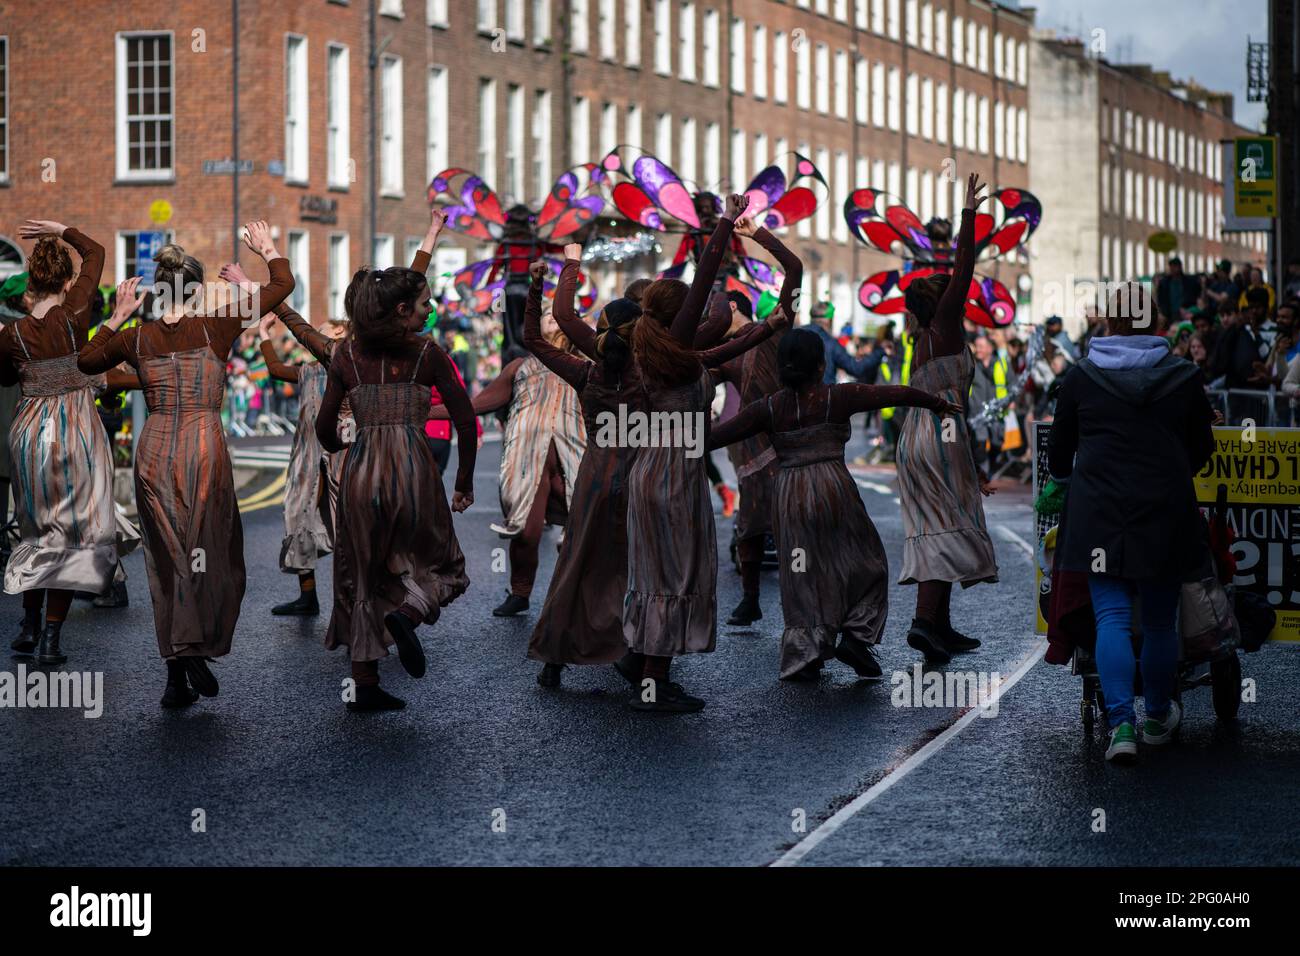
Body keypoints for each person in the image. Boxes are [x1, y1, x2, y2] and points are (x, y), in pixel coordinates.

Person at [79, 222, 294, 707]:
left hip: (154, 447)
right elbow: (283, 289)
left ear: (158, 288)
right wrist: (267, 250)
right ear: (196, 289)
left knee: (167, 558)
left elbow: (87, 362)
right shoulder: (216, 324)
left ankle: (176, 674)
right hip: (202, 445)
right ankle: (196, 642)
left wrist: (117, 315)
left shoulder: (136, 338)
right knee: (210, 552)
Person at [710, 328, 961, 681]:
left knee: (801, 574)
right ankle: (857, 637)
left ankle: (805, 653)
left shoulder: (767, 408)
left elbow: (715, 437)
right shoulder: (837, 397)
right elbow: (894, 393)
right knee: (866, 560)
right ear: (820, 365)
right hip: (833, 489)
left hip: (789, 496)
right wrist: (936, 403)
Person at [1048, 282, 1215, 764]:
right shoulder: (1183, 375)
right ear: (1155, 321)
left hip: (1100, 514)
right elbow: (1202, 451)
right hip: (1164, 512)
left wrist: (1066, 479)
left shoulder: (1082, 376)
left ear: (1110, 321)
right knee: (1162, 621)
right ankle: (1159, 717)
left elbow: (1060, 454)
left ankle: (1122, 727)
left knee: (1112, 619)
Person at [316, 266, 476, 711]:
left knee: (362, 575)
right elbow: (465, 419)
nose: (431, 311)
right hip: (413, 470)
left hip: (361, 469)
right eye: (425, 304)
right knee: (445, 565)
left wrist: (344, 448)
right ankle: (408, 615)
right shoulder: (427, 355)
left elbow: (323, 427)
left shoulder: (346, 356)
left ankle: (364, 683)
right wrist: (463, 481)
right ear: (403, 310)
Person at [0, 221, 119, 664]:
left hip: (30, 432)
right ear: (68, 283)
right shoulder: (75, 316)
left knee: (34, 526)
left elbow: (4, 376)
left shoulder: (11, 335)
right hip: (74, 431)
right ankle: (50, 637)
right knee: (69, 531)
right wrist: (60, 229)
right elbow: (98, 252)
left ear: (31, 284)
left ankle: (28, 624)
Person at [894, 173, 999, 664]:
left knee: (936, 524)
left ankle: (939, 626)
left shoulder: (919, 338)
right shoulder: (943, 325)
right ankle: (922, 622)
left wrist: (974, 466)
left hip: (919, 435)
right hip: (940, 433)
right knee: (944, 526)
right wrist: (968, 213)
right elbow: (964, 271)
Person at [434, 297, 588, 619]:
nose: (554, 320)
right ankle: (520, 593)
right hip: (527, 464)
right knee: (526, 533)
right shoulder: (520, 367)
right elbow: (475, 403)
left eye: (560, 316)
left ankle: (581, 597)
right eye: (547, 316)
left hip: (574, 459)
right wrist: (426, 410)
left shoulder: (586, 366)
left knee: (585, 531)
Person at [708, 215, 803, 627]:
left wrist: (757, 235)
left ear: (732, 308)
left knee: (794, 531)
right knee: (749, 527)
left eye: (713, 311)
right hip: (747, 453)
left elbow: (795, 269)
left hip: (786, 447)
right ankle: (750, 600)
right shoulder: (724, 353)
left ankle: (802, 607)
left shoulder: (776, 329)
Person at [809, 300, 882, 384]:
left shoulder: (796, 335)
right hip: (823, 394)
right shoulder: (830, 343)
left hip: (797, 395)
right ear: (828, 320)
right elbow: (855, 368)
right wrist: (880, 351)